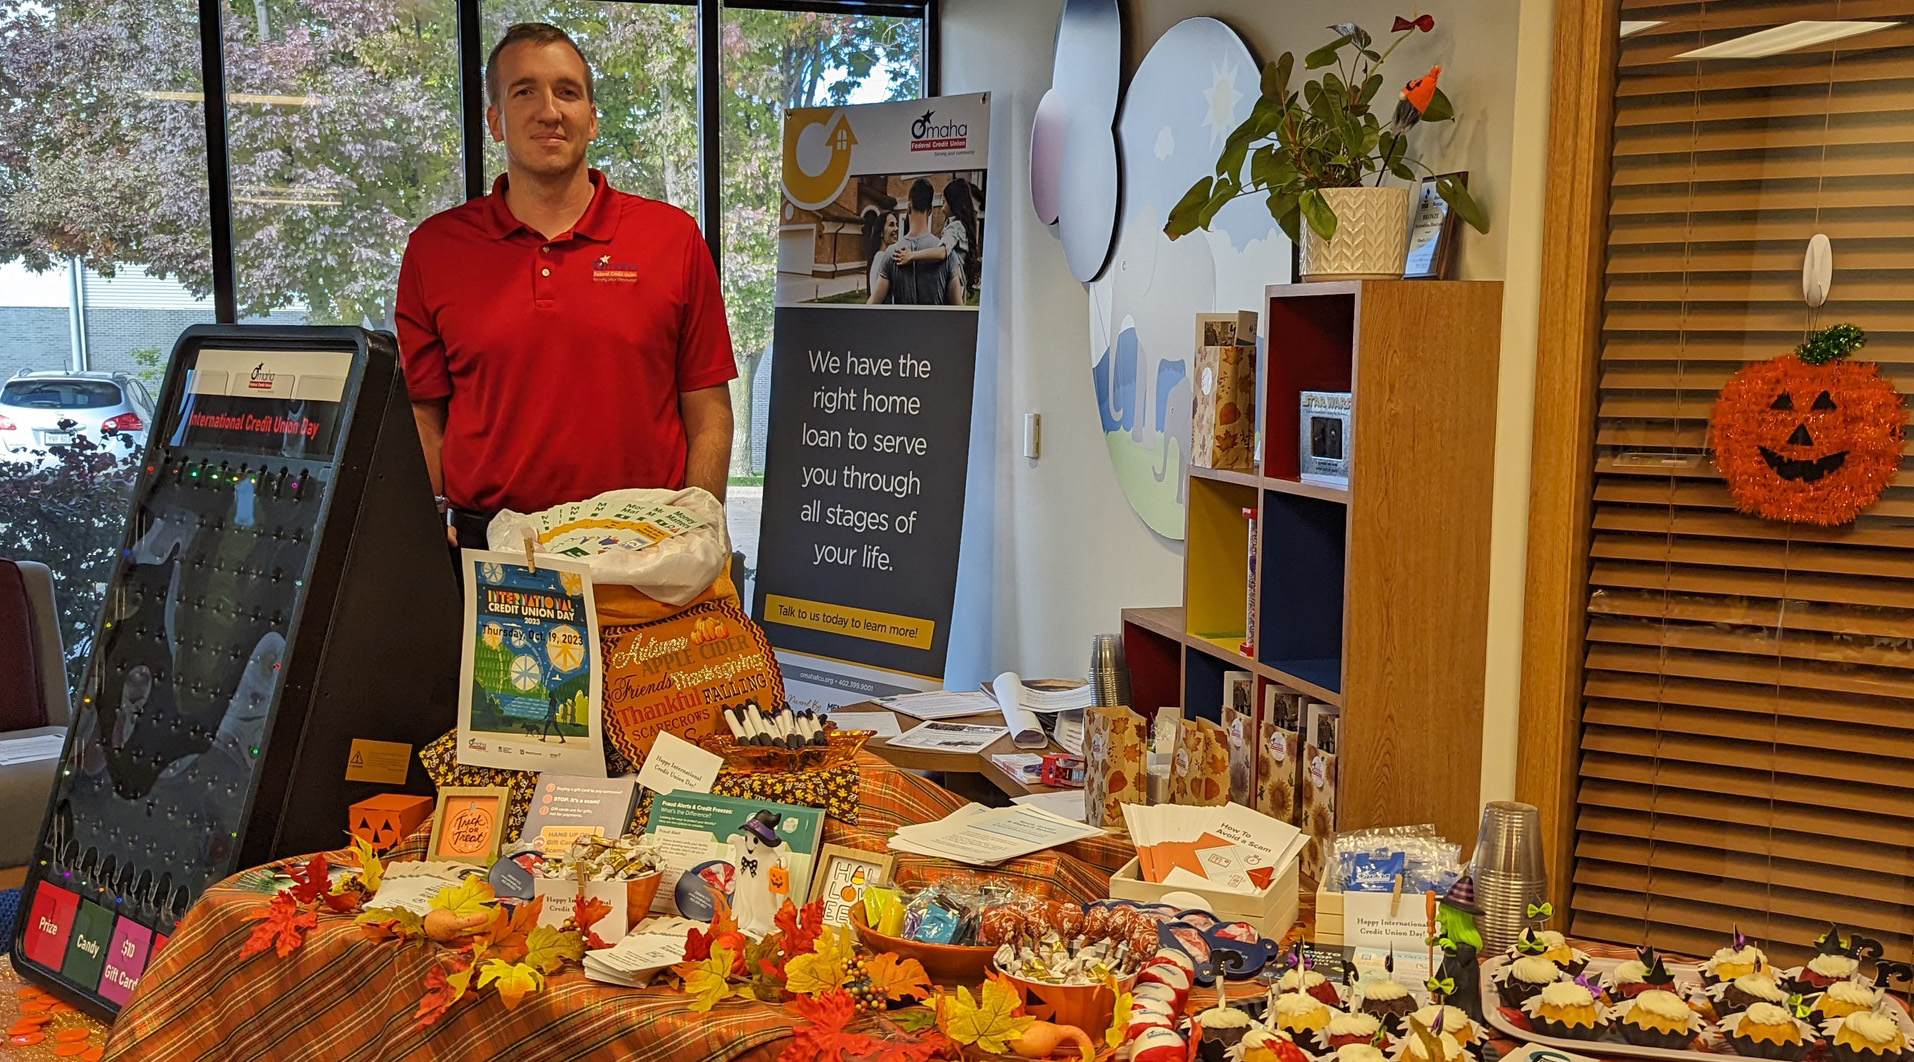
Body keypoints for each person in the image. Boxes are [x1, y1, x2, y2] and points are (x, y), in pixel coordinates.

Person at [396, 23, 737, 547]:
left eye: (568, 92)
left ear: (593, 119)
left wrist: (700, 534)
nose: (549, 110)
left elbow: (708, 411)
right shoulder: (434, 251)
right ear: (495, 121)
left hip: (645, 549)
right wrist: (418, 530)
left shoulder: (673, 239)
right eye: (525, 90)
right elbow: (425, 416)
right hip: (487, 556)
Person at [890, 176, 978, 306]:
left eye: (944, 202)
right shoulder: (960, 226)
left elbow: (942, 252)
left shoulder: (955, 227)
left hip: (954, 285)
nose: (942, 208)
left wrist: (911, 256)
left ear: (953, 204)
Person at [867, 179, 955, 306]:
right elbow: (958, 310)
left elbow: (872, 304)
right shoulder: (947, 253)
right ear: (930, 211)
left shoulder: (892, 253)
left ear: (908, 207)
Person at [862, 210, 900, 298]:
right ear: (881, 233)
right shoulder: (881, 257)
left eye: (896, 224)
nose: (896, 228)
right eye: (891, 225)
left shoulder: (882, 256)